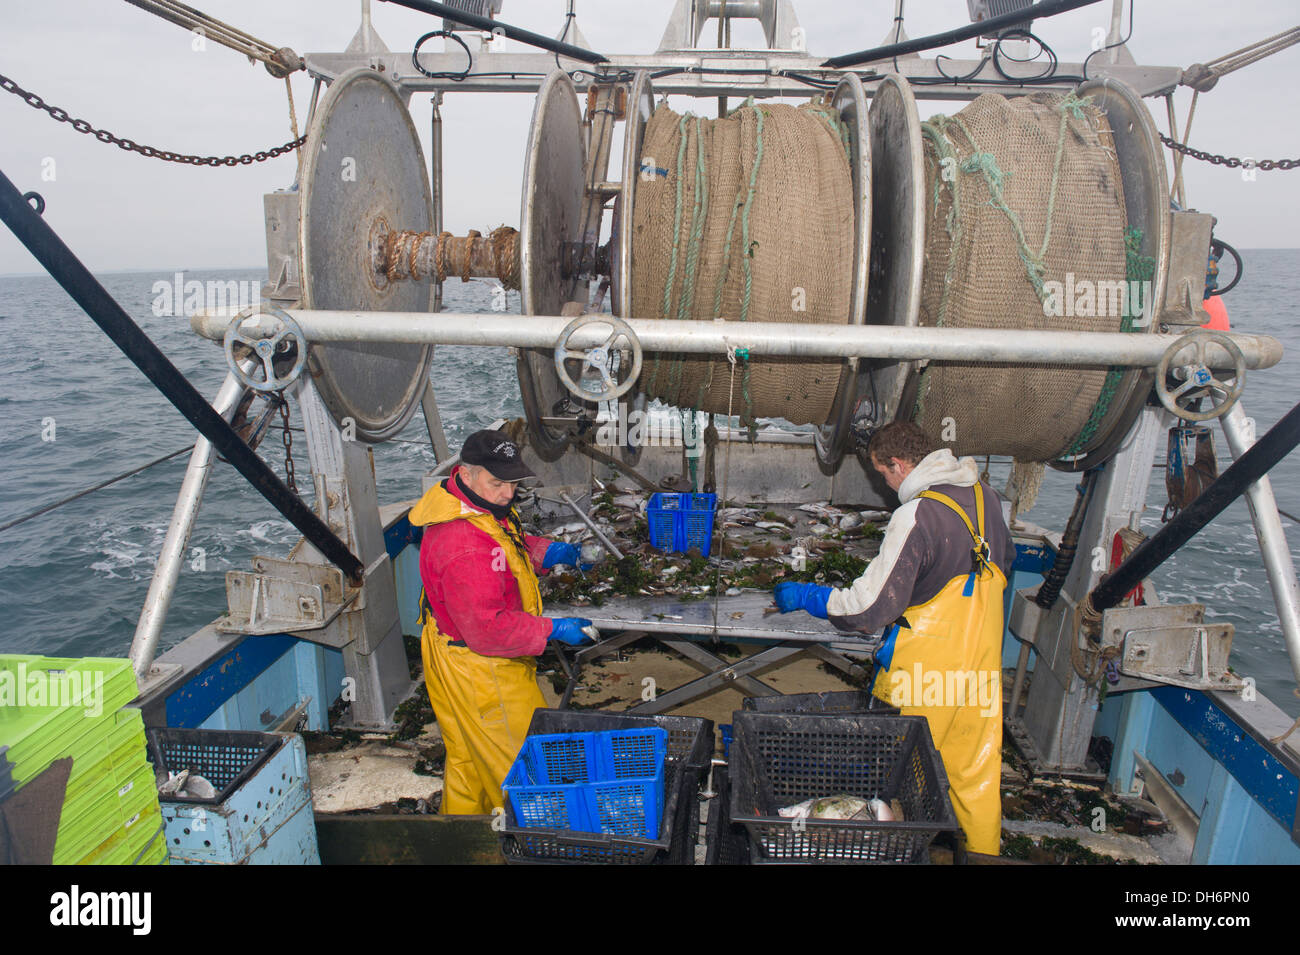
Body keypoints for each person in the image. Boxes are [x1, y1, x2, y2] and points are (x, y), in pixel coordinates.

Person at [773, 422, 1014, 855]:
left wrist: (812, 596)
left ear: (898, 465)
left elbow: (869, 610)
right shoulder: (987, 498)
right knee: (975, 779)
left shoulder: (917, 514)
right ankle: (982, 858)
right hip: (980, 672)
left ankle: (891, 854)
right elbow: (1003, 566)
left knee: (897, 780)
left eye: (884, 474)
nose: (885, 484)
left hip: (924, 677)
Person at [408, 429, 594, 815]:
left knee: (468, 759)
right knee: (522, 762)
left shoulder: (474, 507)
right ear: (465, 473)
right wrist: (553, 630)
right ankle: (534, 837)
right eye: (498, 483)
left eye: (513, 483)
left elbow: (505, 544)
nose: (508, 494)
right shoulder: (463, 546)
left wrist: (549, 552)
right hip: (482, 666)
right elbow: (489, 630)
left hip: (449, 652)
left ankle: (464, 841)